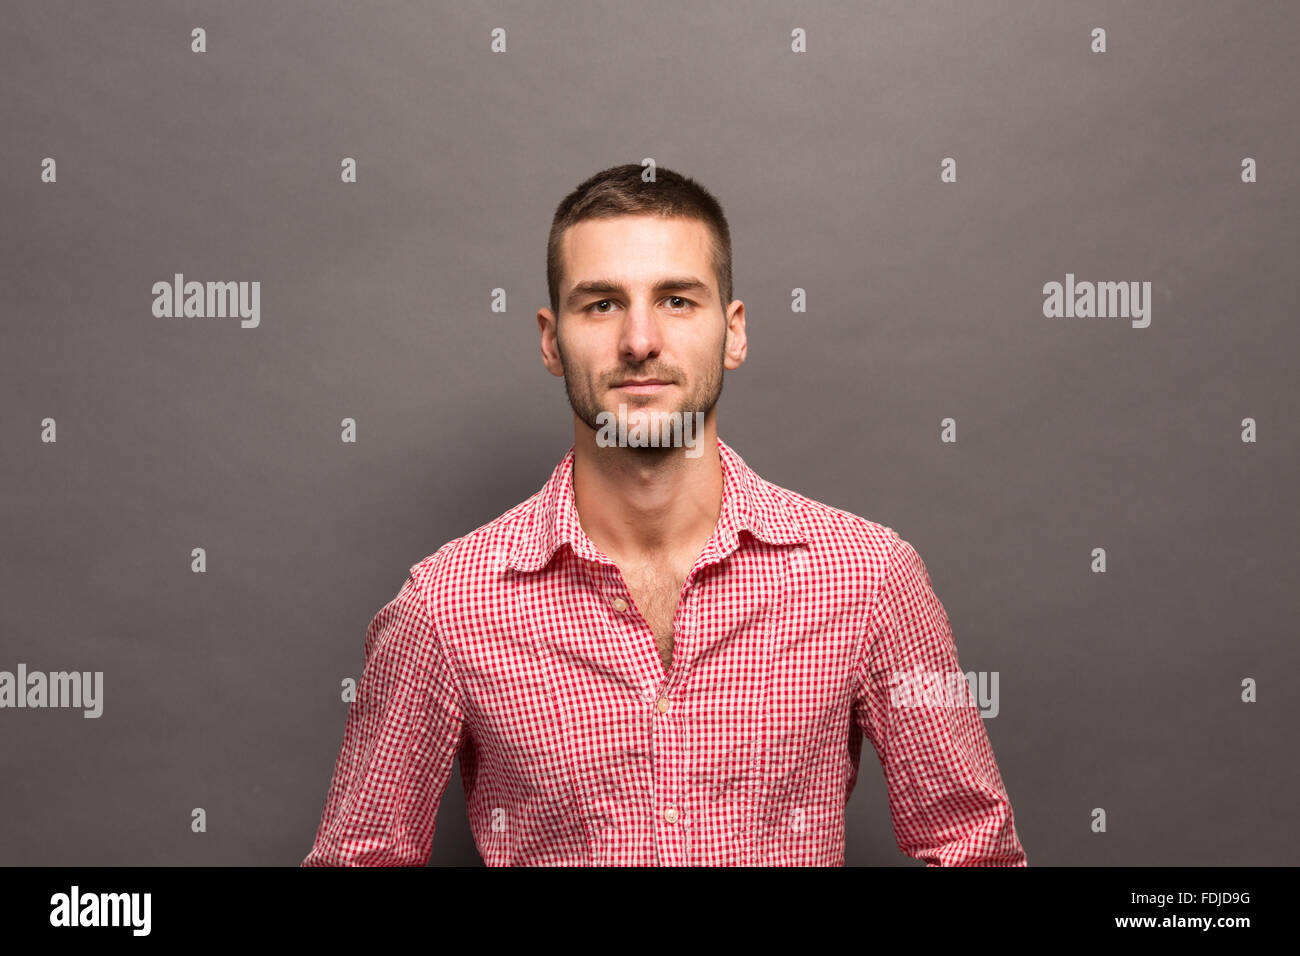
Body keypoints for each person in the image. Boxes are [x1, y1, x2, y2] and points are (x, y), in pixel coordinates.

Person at [301, 163, 1027, 866]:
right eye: (601, 303)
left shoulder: (868, 580)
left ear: (733, 331)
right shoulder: (446, 606)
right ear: (552, 341)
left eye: (677, 300)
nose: (640, 340)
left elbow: (975, 851)